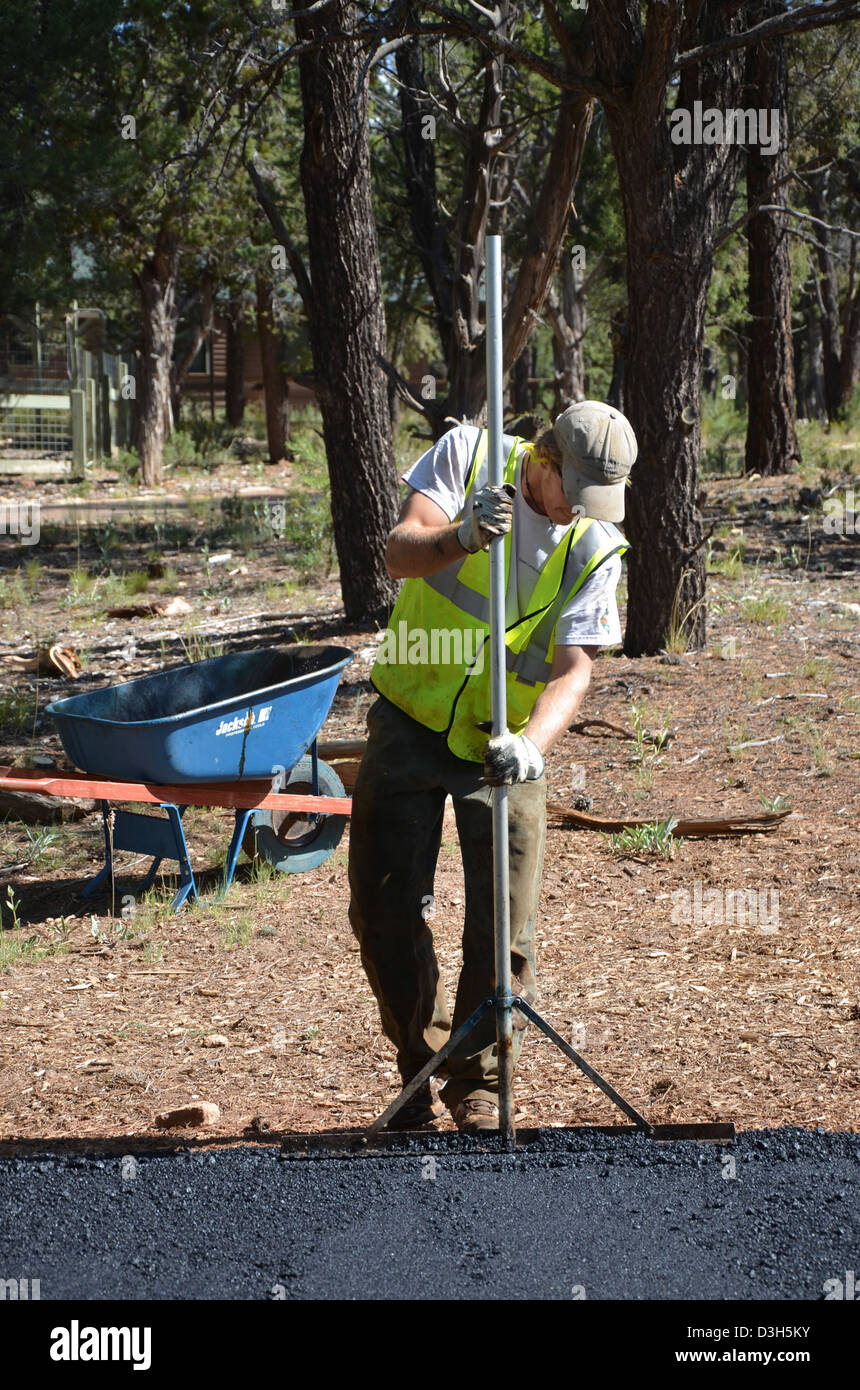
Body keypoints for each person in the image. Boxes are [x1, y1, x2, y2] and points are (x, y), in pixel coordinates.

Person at [347, 401, 638, 1132]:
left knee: (501, 928)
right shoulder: (467, 457)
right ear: (543, 463)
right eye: (576, 492)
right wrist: (462, 535)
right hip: (410, 717)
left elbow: (575, 671)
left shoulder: (594, 545)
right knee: (384, 908)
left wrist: (532, 745)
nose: (583, 512)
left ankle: (478, 1083)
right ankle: (415, 1065)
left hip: (505, 743)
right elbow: (399, 551)